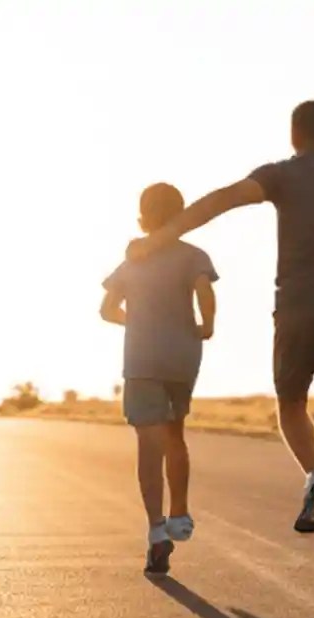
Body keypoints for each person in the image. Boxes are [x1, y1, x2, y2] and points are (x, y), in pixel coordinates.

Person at [127, 100, 314, 565]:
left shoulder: (280, 175)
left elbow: (219, 201)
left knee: (290, 404)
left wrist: (159, 240)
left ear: (293, 136)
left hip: (298, 308)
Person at [101, 182, 219, 575]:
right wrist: (207, 324)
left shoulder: (132, 259)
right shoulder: (193, 256)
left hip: (142, 360)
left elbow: (106, 309)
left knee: (148, 446)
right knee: (175, 435)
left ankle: (156, 531)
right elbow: (204, 290)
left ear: (142, 217)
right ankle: (180, 513)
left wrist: (132, 321)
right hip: (181, 357)